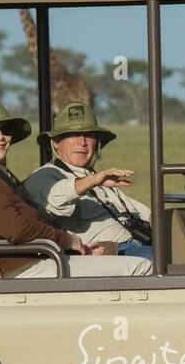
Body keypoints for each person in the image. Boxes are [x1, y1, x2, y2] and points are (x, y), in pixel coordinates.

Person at [0, 98, 151, 278]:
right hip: (26, 266)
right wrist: (67, 240)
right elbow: (16, 228)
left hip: (42, 257)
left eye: (5, 130)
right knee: (142, 266)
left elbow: (28, 222)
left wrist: (75, 247)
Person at [24, 103, 153, 260]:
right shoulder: (44, 177)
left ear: (97, 142)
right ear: (56, 141)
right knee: (174, 261)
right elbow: (54, 199)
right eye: (73, 134)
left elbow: (143, 213)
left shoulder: (98, 178)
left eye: (89, 135)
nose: (82, 141)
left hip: (139, 244)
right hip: (108, 256)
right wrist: (92, 181)